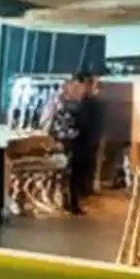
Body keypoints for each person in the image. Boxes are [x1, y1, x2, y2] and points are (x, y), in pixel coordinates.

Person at [45, 76, 85, 215]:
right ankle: (67, 201)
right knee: (68, 175)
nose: (80, 91)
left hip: (70, 144)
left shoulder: (70, 106)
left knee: (70, 175)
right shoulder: (65, 107)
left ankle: (69, 201)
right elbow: (59, 128)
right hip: (67, 144)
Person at [74, 71, 103, 199]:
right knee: (83, 165)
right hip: (84, 138)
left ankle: (85, 188)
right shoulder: (85, 102)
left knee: (89, 164)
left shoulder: (89, 101)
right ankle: (82, 189)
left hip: (89, 137)